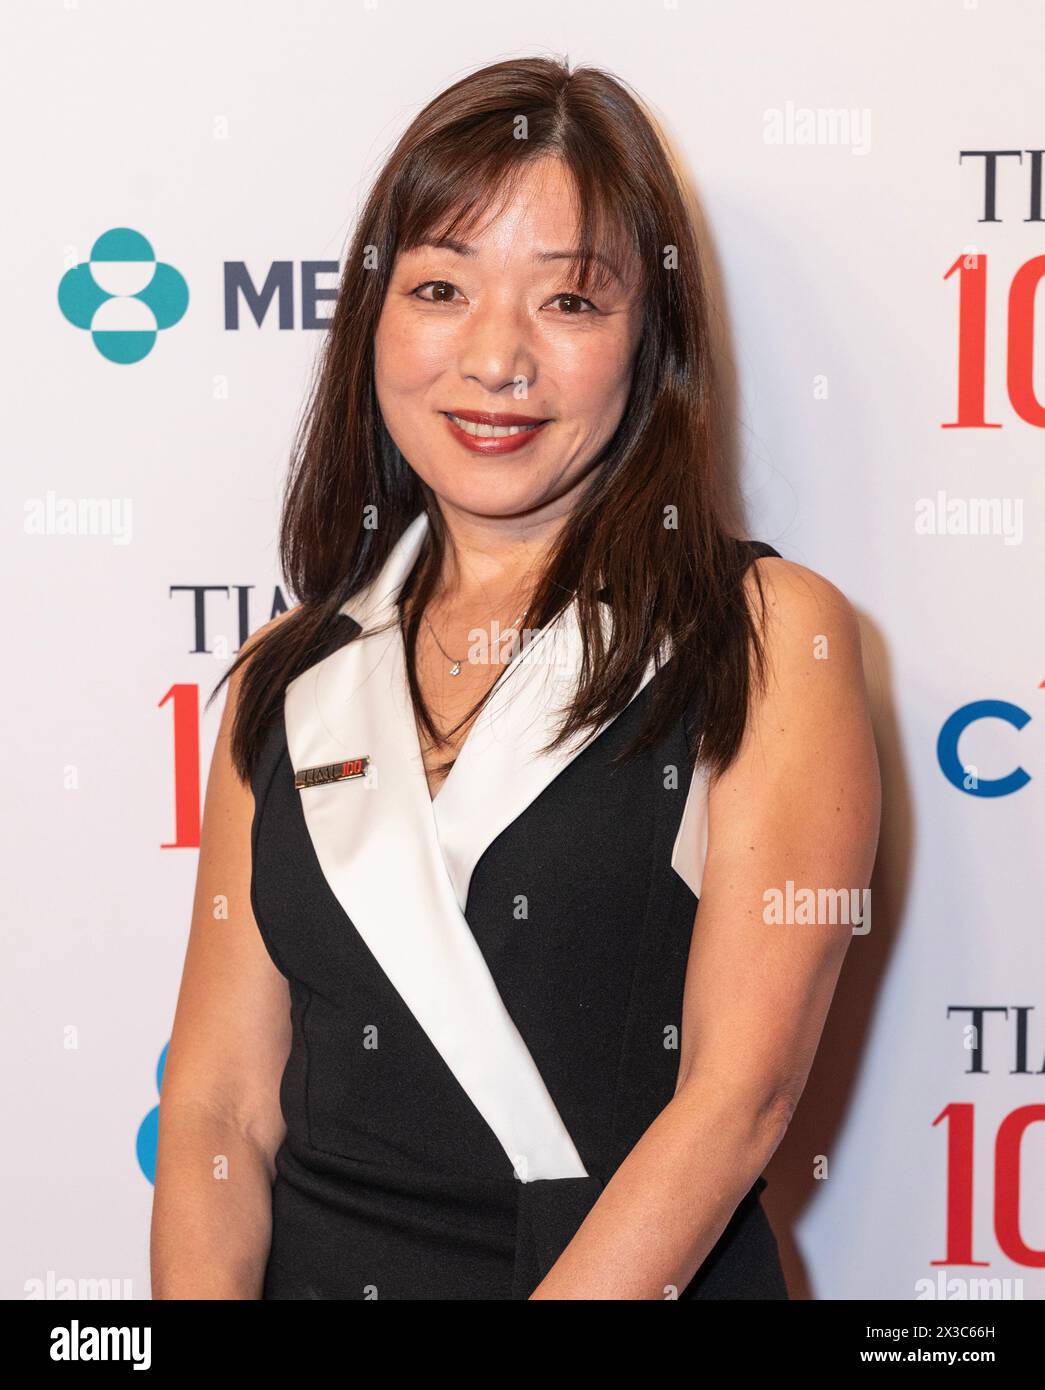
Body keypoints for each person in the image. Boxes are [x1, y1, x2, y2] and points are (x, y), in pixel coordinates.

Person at [150, 55, 880, 1301]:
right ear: (374, 323)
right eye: (440, 286)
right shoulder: (290, 677)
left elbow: (739, 1099)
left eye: (569, 303)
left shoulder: (763, 635)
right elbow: (220, 1110)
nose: (496, 359)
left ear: (650, 343)